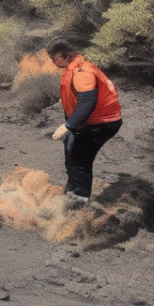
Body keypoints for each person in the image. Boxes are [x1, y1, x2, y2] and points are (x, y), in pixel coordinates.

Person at [47, 37, 123, 208]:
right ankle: (72, 191)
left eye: (55, 59)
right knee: (71, 145)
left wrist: (67, 125)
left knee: (79, 158)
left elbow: (88, 102)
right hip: (95, 122)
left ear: (65, 55)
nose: (53, 62)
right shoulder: (76, 67)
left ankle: (77, 205)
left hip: (101, 124)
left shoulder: (83, 72)